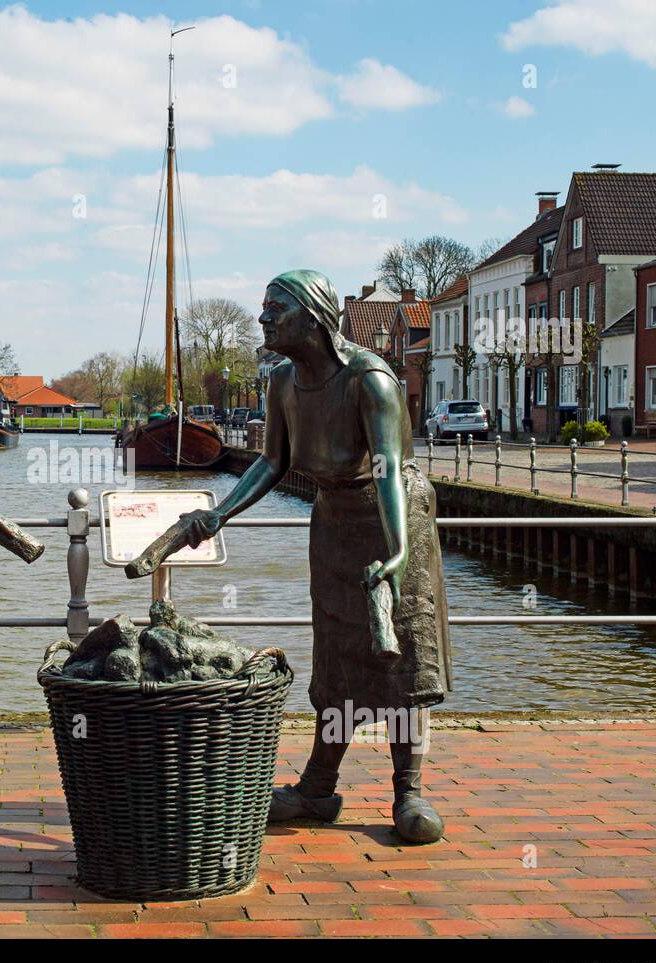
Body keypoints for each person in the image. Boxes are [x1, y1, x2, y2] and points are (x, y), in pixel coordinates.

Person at [177, 270, 452, 844]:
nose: (264, 318)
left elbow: (389, 472)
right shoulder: (280, 380)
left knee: (398, 659)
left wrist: (399, 551)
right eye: (264, 307)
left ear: (315, 317)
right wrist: (218, 514)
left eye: (276, 308)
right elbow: (271, 463)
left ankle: (409, 792)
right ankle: (318, 787)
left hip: (392, 515)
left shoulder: (369, 380)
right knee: (337, 658)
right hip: (333, 521)